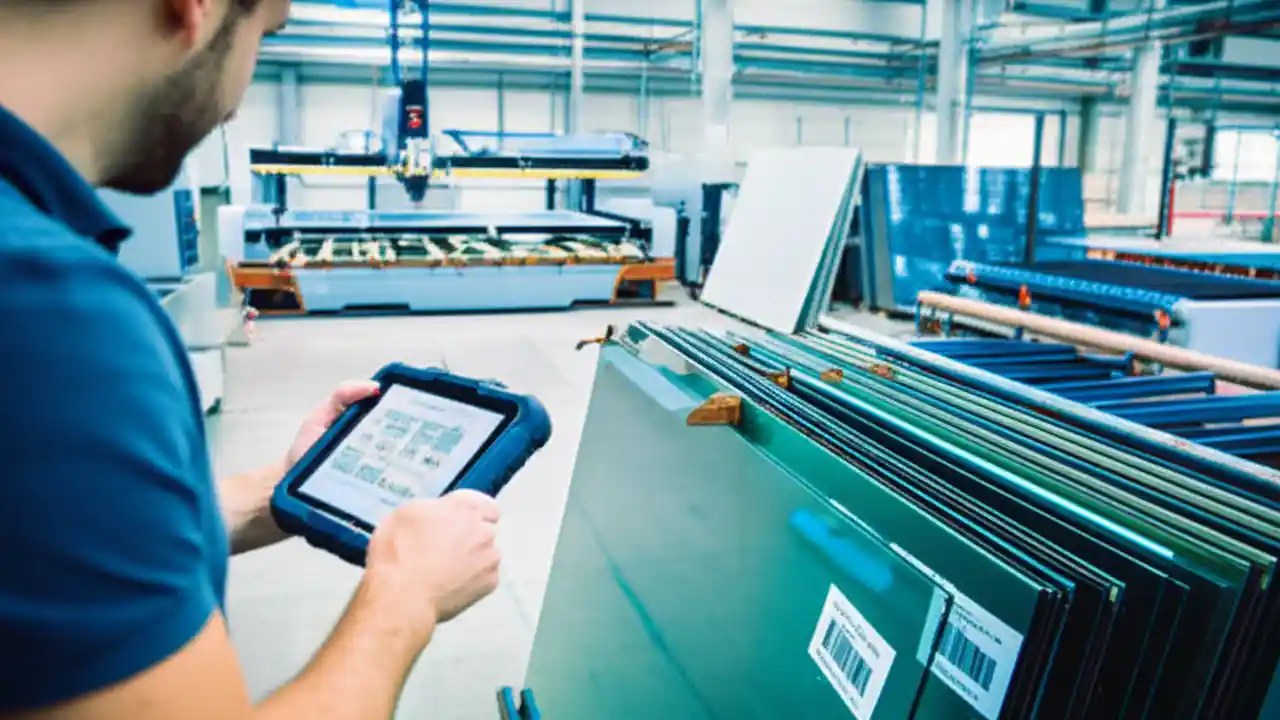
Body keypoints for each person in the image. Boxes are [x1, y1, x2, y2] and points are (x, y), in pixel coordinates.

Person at [0, 1, 503, 717]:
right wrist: (406, 595)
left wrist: (288, 488)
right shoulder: (48, 310)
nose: (236, 103)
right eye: (266, 34)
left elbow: (38, 551)